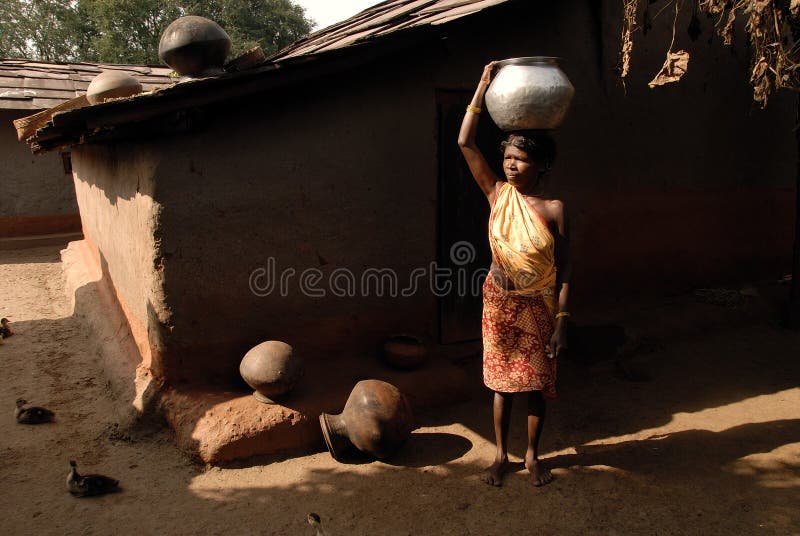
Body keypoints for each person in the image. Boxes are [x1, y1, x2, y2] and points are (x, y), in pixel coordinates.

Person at [457, 62, 571, 487]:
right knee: (502, 386)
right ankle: (500, 456)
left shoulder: (554, 210)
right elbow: (465, 142)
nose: (510, 166)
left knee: (538, 385)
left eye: (520, 160)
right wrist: (482, 88)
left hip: (541, 308)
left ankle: (532, 457)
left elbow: (566, 267)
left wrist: (562, 322)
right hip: (499, 305)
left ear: (541, 167)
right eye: (506, 158)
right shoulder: (496, 195)